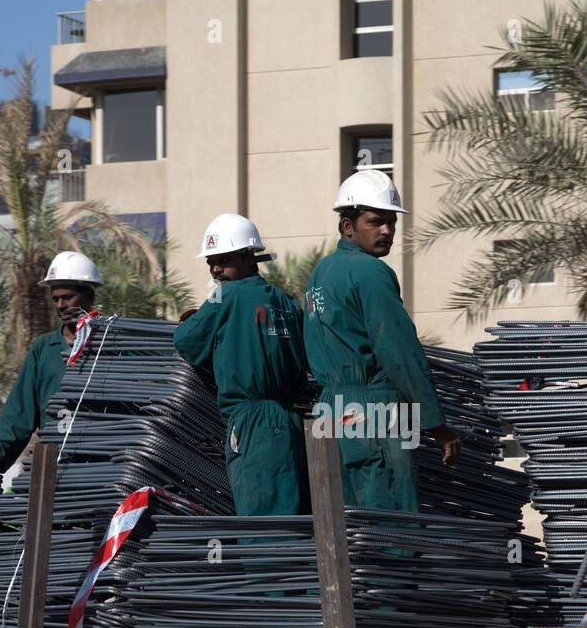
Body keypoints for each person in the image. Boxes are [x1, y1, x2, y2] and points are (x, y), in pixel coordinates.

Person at [303, 170, 461, 512]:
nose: (387, 230)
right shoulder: (371, 272)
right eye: (376, 221)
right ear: (348, 226)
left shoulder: (321, 273)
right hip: (375, 416)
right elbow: (399, 352)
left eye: (391, 222)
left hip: (331, 415)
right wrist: (436, 424)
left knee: (348, 534)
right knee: (391, 534)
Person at [174, 213, 310, 515]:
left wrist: (199, 319)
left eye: (223, 260)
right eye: (211, 262)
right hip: (289, 424)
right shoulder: (287, 303)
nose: (216, 269)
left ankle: (265, 564)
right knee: (292, 515)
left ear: (250, 258)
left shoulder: (226, 296)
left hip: (250, 425)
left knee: (260, 522)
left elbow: (186, 341)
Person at [0, 251, 103, 470]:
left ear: (89, 296)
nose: (60, 305)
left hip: (104, 461)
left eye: (67, 297)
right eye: (55, 299)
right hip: (54, 461)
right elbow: (21, 408)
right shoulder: (44, 349)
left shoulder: (115, 343)